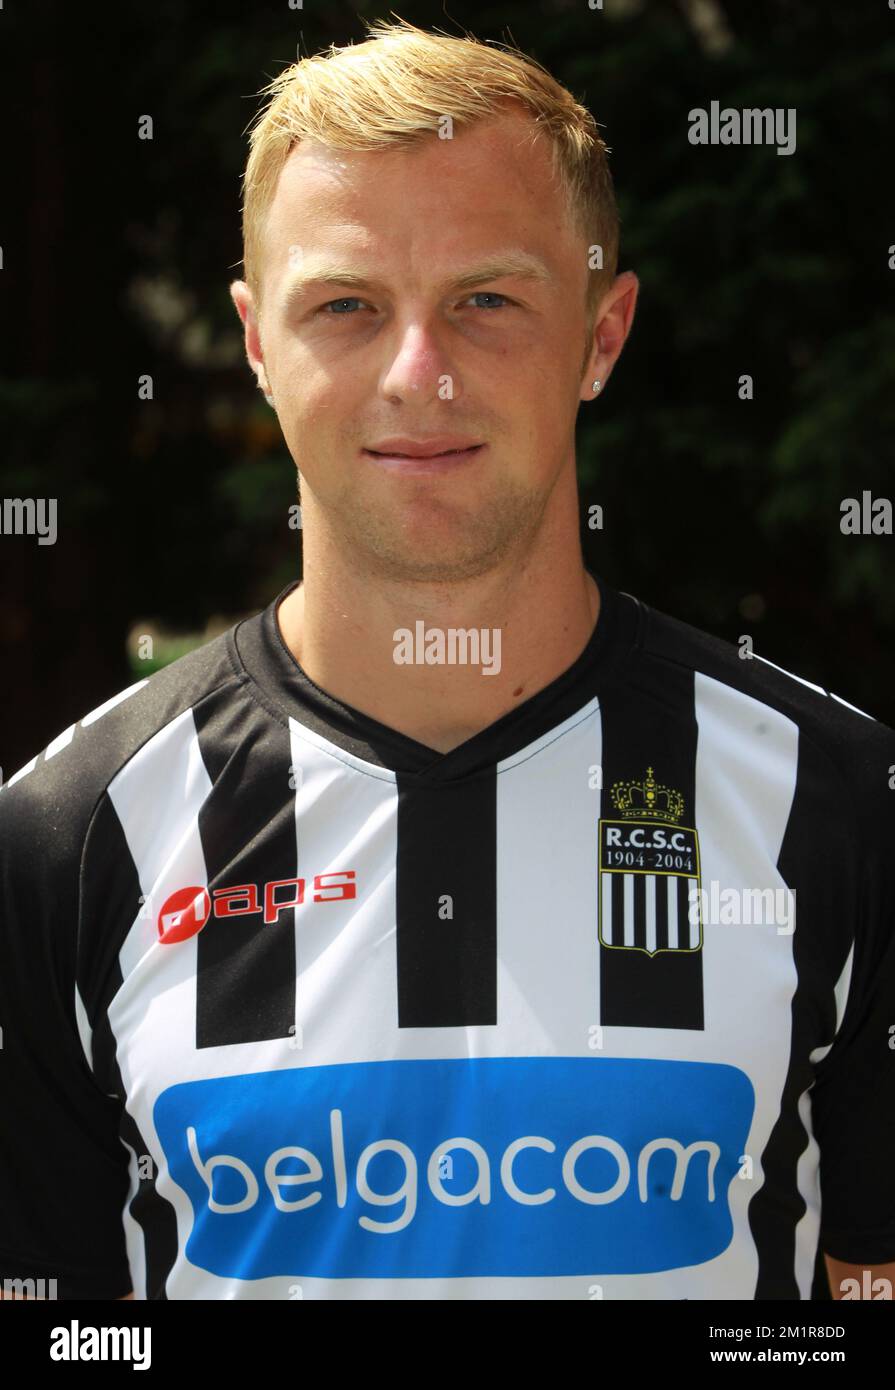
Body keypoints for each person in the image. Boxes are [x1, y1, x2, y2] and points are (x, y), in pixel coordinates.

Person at [1, 18, 893, 1302]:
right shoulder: (64, 842)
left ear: (601, 332)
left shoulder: (846, 805)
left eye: (486, 300)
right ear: (258, 343)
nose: (418, 375)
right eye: (347, 306)